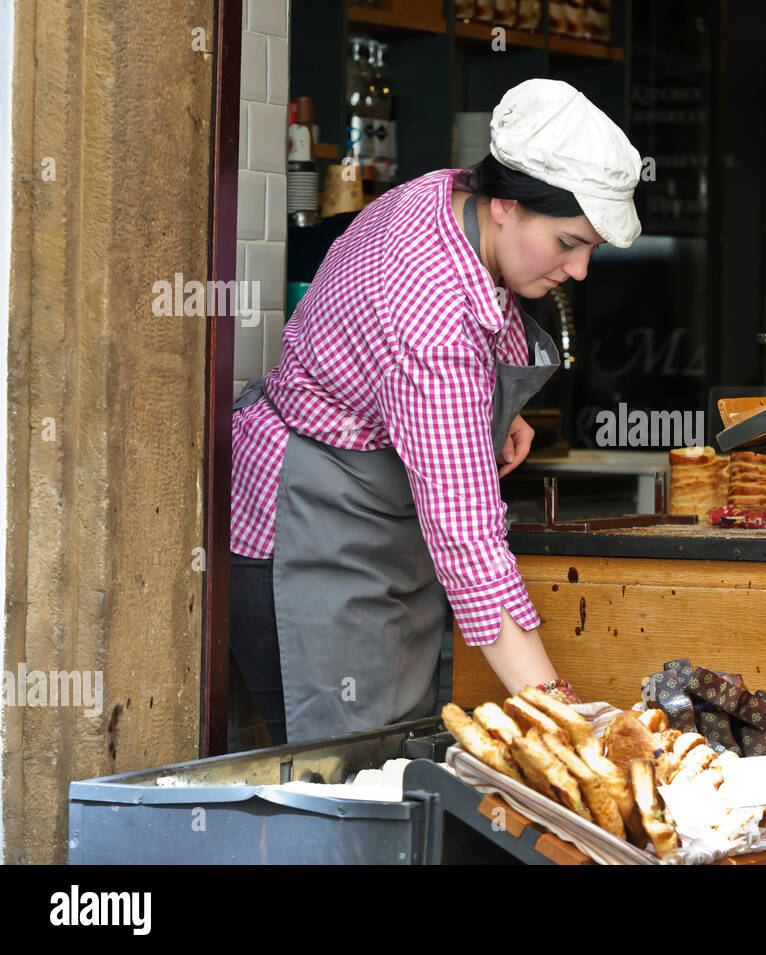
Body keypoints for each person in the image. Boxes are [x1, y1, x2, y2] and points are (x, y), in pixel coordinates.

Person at [228, 78, 642, 745]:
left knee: (393, 770)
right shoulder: (429, 315)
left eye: (590, 248)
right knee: (347, 794)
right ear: (507, 203)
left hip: (373, 531)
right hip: (312, 534)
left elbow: (431, 348)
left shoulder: (445, 197)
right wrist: (558, 716)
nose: (581, 269)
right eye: (569, 242)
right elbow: (467, 540)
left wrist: (490, 409)